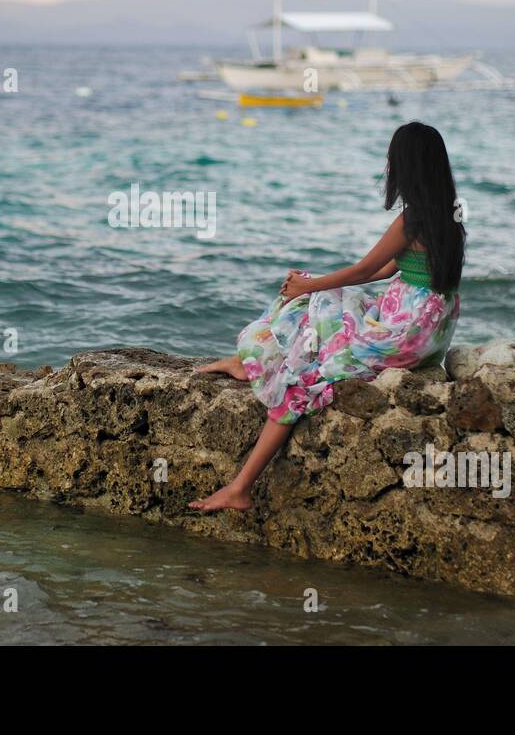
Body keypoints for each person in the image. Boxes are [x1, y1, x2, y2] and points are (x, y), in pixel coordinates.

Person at [191, 121, 465, 512]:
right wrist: (318, 285)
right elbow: (383, 271)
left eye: (392, 160)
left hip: (404, 326)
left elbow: (362, 270)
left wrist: (310, 285)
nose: (388, 167)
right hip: (427, 326)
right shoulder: (448, 216)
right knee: (322, 304)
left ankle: (240, 485)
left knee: (305, 367)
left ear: (407, 165)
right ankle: (248, 362)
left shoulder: (413, 219)